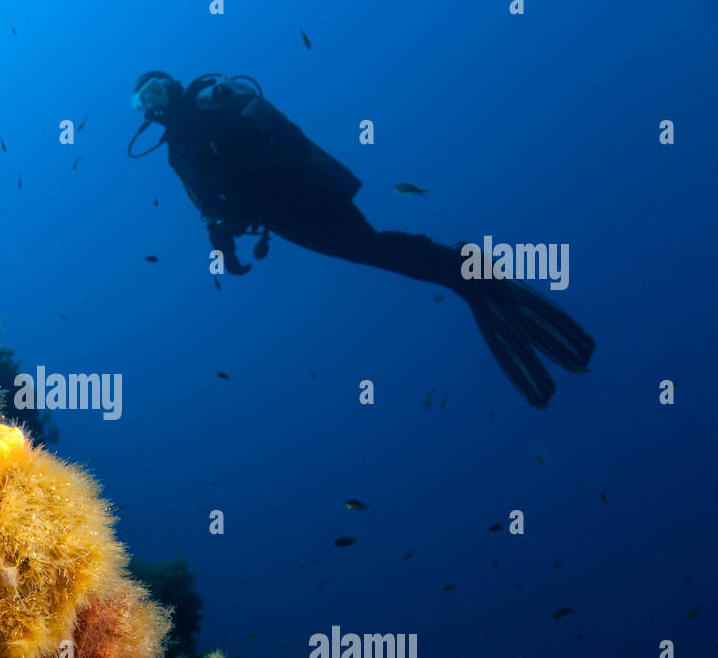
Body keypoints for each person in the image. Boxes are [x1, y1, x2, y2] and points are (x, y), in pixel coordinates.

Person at [128, 71, 596, 409]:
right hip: (278, 217)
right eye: (141, 102)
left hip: (298, 187)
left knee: (369, 246)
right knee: (368, 250)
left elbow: (261, 107)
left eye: (153, 91)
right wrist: (222, 243)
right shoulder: (177, 153)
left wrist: (244, 134)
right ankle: (462, 275)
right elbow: (206, 204)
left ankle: (463, 270)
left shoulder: (209, 98)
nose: (150, 104)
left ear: (170, 86)